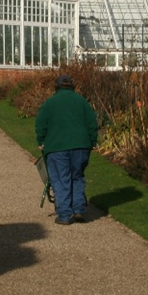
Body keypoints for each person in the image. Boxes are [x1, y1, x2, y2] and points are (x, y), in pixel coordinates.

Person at [35, 74, 98, 225]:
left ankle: (64, 214)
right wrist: (92, 142)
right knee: (77, 176)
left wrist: (41, 140)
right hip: (81, 146)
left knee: (60, 179)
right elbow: (92, 123)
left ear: (56, 87)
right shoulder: (81, 101)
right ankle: (79, 209)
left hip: (57, 147)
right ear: (72, 86)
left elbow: (40, 123)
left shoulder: (50, 103)